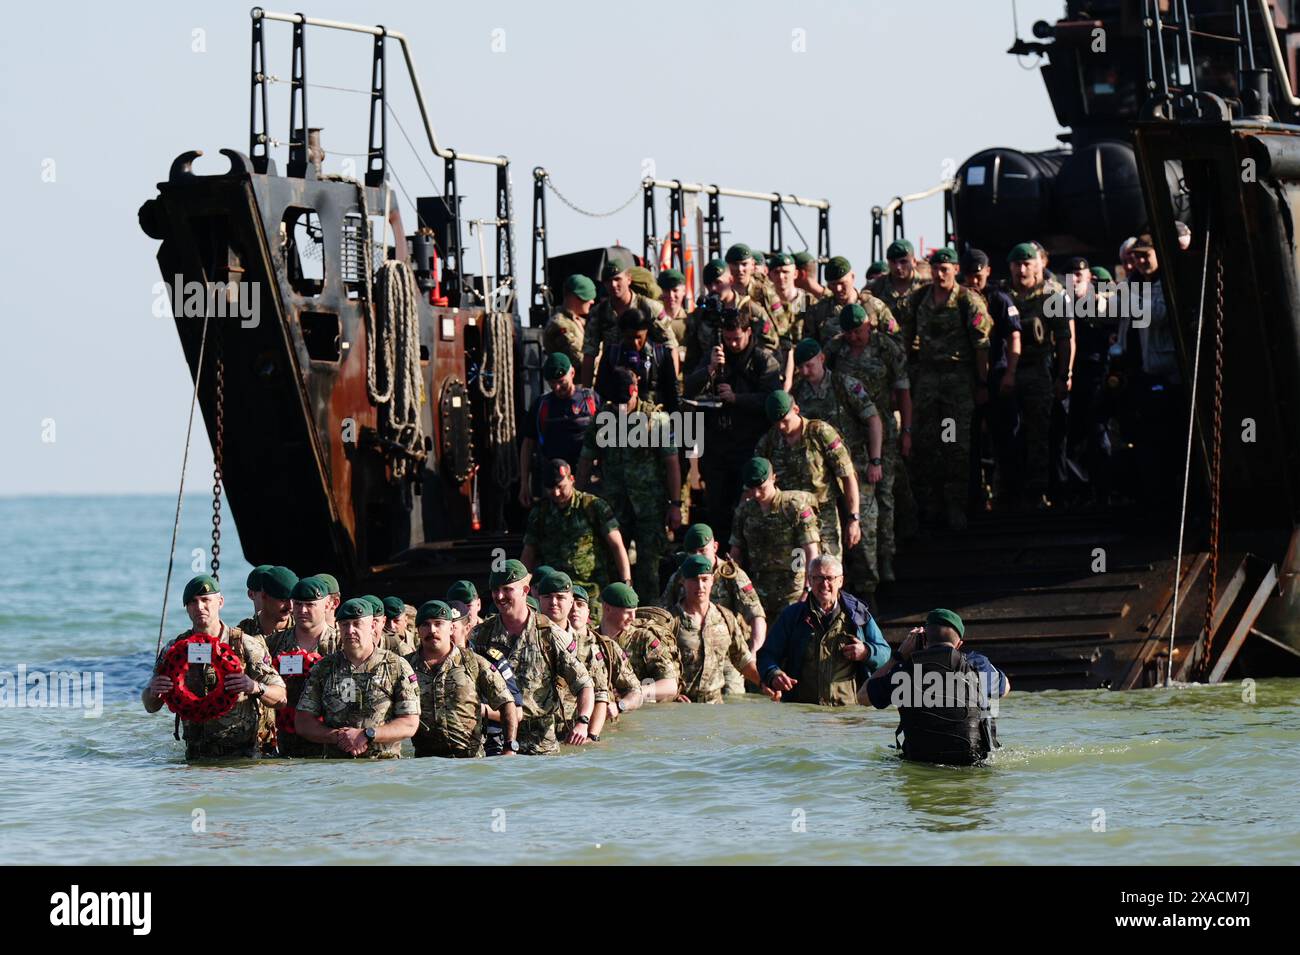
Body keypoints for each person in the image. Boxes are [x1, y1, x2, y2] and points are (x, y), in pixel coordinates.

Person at [143, 574, 287, 760]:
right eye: (193, 602)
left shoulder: (243, 645)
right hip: (196, 756)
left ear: (220, 602)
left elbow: (281, 697)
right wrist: (153, 692)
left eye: (205, 600)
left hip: (242, 757)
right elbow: (150, 706)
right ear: (187, 608)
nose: (200, 607)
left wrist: (254, 687)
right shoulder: (174, 649)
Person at [824, 303, 912, 582]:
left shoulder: (887, 348)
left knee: (883, 496)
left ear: (869, 327)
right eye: (848, 332)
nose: (854, 337)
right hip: (849, 433)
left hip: (882, 430)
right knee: (852, 499)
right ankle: (858, 564)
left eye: (858, 331)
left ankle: (886, 558)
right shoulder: (837, 349)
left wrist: (907, 430)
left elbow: (903, 391)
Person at [906, 247, 993, 530]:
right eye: (935, 268)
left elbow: (982, 346)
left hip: (958, 382)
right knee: (926, 445)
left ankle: (957, 506)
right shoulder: (919, 299)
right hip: (928, 381)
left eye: (945, 269)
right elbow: (906, 340)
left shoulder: (968, 300)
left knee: (954, 445)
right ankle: (930, 508)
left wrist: (982, 383)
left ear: (956, 269)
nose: (939, 274)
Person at [683, 306, 783, 549]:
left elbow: (771, 400)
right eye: (728, 339)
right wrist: (709, 370)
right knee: (717, 507)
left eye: (737, 338)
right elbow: (689, 389)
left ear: (748, 332)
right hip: (716, 446)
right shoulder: (714, 355)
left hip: (749, 446)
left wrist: (737, 398)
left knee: (749, 507)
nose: (733, 344)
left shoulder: (763, 360)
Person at [790, 335, 884, 594]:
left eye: (810, 365)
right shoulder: (798, 393)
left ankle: (869, 588)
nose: (805, 371)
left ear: (822, 359)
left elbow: (874, 420)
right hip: (819, 474)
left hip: (854, 466)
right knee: (824, 534)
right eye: (801, 367)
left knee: (862, 525)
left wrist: (875, 460)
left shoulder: (845, 385)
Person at [471, 560, 595, 753]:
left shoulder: (548, 634)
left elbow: (584, 684)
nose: (500, 596)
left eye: (507, 589)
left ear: (525, 590)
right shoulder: (481, 635)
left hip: (539, 746)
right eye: (495, 590)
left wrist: (582, 722)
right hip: (493, 744)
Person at [579, 367, 682, 598]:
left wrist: (675, 504)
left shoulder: (656, 419)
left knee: (650, 570)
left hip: (650, 507)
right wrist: (578, 498)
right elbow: (585, 460)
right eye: (617, 404)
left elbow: (672, 463)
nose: (622, 408)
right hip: (615, 506)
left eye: (625, 402)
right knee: (614, 568)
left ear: (635, 391)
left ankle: (651, 618)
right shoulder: (602, 420)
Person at [862, 608, 1009, 765]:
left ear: (923, 639)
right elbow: (1005, 687)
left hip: (920, 763)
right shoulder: (977, 664)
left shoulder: (903, 671)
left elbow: (862, 696)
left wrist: (898, 657)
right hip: (971, 765)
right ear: (959, 644)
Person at [292, 597, 420, 758]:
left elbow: (409, 723)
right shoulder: (324, 668)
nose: (350, 630)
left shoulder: (396, 666)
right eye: (345, 625)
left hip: (384, 767)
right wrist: (338, 736)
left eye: (357, 624)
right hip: (336, 766)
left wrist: (367, 734)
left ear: (373, 626)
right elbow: (303, 722)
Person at [759, 554, 890, 706]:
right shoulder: (792, 616)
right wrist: (774, 674)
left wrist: (866, 652)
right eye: (818, 578)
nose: (824, 584)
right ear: (810, 580)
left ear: (840, 581)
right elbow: (767, 655)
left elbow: (885, 654)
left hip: (848, 713)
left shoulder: (858, 614)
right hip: (803, 712)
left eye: (830, 578)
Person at [754, 389, 863, 559]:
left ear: (796, 410)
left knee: (828, 571)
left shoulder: (820, 432)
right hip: (789, 522)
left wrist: (853, 518)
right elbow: (755, 486)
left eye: (784, 421)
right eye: (776, 423)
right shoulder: (769, 442)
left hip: (823, 517)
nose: (781, 427)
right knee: (798, 576)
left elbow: (847, 475)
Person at [658, 522, 766, 692]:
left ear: (715, 547)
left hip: (728, 655)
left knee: (734, 699)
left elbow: (756, 615)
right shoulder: (681, 575)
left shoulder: (732, 575)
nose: (697, 556)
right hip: (692, 657)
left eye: (702, 551)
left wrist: (754, 651)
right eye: (692, 552)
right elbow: (662, 615)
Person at [406, 600, 518, 758]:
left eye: (438, 624)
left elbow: (507, 703)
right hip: (424, 764)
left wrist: (509, 746)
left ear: (451, 628)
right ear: (418, 630)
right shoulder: (404, 667)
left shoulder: (474, 662)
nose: (432, 630)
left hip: (469, 763)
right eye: (425, 624)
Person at [1007, 242, 1072, 510]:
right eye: (1017, 265)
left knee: (1038, 433)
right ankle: (1010, 492)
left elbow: (1065, 339)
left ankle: (1039, 492)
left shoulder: (1052, 294)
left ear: (1038, 264)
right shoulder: (1003, 294)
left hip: (1038, 370)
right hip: (1008, 372)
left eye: (1027, 264)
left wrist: (1063, 375)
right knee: (1009, 433)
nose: (1022, 270)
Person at [522, 459, 632, 611]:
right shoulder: (540, 513)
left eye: (560, 487)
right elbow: (529, 552)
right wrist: (522, 587)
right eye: (550, 488)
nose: (556, 493)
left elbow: (617, 546)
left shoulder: (593, 506)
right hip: (554, 592)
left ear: (571, 479)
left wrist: (626, 582)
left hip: (590, 591)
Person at [960, 248, 1022, 511]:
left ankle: (1010, 496)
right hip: (967, 380)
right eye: (969, 276)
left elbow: (1014, 337)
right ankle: (974, 497)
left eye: (978, 275)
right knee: (966, 441)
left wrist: (1010, 374)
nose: (974, 281)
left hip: (996, 377)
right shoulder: (959, 301)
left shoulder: (1000, 299)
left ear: (987, 271)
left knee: (1005, 437)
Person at [728, 457, 821, 620]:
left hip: (794, 590)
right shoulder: (745, 512)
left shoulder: (794, 506)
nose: (756, 494)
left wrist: (808, 589)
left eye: (761, 488)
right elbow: (736, 552)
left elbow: (811, 551)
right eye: (751, 489)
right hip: (759, 591)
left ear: (773, 478)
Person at [266, 575, 339, 757]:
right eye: (297, 604)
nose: (302, 610)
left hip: (331, 743)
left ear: (327, 605)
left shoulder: (340, 644)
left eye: (310, 604)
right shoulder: (273, 644)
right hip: (287, 743)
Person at [534, 571, 610, 742]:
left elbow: (600, 695)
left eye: (560, 597)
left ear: (570, 601)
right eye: (548, 597)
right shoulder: (527, 638)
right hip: (534, 736)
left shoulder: (587, 647)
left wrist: (591, 735)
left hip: (572, 735)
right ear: (539, 600)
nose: (553, 603)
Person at [518, 352, 602, 508]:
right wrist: (524, 483)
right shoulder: (542, 405)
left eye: (561, 382)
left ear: (572, 373)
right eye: (552, 384)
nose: (557, 388)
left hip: (589, 481)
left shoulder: (591, 401)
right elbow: (528, 444)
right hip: (555, 484)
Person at [581, 260, 674, 386]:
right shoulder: (599, 313)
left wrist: (672, 387)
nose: (613, 284)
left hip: (647, 383)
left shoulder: (649, 308)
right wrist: (586, 394)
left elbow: (670, 346)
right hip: (613, 384)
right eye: (608, 281)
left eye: (617, 279)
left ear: (628, 279)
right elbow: (589, 354)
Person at [571, 584, 643, 728]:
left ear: (588, 612)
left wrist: (619, 706)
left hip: (600, 729)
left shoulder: (606, 647)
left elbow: (636, 693)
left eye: (580, 605)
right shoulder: (546, 643)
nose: (574, 610)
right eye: (570, 604)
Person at [595, 582, 680, 701]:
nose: (633, 617)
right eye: (627, 612)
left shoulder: (643, 639)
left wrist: (633, 693)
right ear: (607, 608)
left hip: (642, 712)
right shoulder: (591, 639)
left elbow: (670, 686)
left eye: (634, 611)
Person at [593, 306, 680, 413]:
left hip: (653, 417)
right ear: (623, 334)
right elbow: (600, 391)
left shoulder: (660, 354)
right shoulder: (612, 355)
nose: (635, 343)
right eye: (630, 337)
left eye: (639, 337)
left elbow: (672, 393)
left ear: (646, 332)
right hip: (619, 416)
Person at [804, 256, 896, 346]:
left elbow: (895, 339)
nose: (838, 288)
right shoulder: (818, 311)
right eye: (833, 284)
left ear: (852, 277)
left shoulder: (875, 306)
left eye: (842, 283)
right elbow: (809, 347)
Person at [868, 240, 928, 347]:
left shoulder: (927, 285)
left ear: (914, 261)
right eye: (893, 262)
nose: (898, 267)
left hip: (920, 354)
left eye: (903, 261)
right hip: (889, 351)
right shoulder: (876, 287)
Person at [543, 273, 596, 368]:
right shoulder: (560, 325)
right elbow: (581, 360)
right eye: (587, 297)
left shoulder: (579, 321)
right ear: (574, 297)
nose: (592, 301)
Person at [236, 565, 296, 636]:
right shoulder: (241, 634)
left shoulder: (301, 630)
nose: (290, 606)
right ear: (251, 594)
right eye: (282, 598)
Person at [658, 269, 690, 365]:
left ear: (684, 291)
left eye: (675, 290)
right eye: (666, 291)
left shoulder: (691, 320)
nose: (671, 295)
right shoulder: (654, 319)